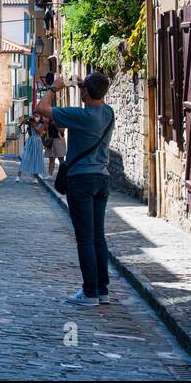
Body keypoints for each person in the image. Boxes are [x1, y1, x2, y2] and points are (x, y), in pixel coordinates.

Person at [35, 72, 117, 307]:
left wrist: (55, 88)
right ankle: (102, 290)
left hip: (81, 180)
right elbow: (94, 95)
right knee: (99, 237)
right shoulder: (108, 113)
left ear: (84, 93)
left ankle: (89, 292)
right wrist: (85, 86)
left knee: (85, 239)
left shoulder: (81, 116)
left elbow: (42, 108)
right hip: (102, 179)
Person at [18, 115, 46, 183]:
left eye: (37, 116)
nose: (36, 117)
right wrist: (28, 118)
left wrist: (33, 125)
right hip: (30, 141)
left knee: (36, 159)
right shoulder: (30, 123)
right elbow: (22, 121)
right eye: (35, 115)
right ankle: (18, 176)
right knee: (25, 158)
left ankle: (35, 177)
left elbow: (39, 132)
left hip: (37, 142)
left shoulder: (41, 124)